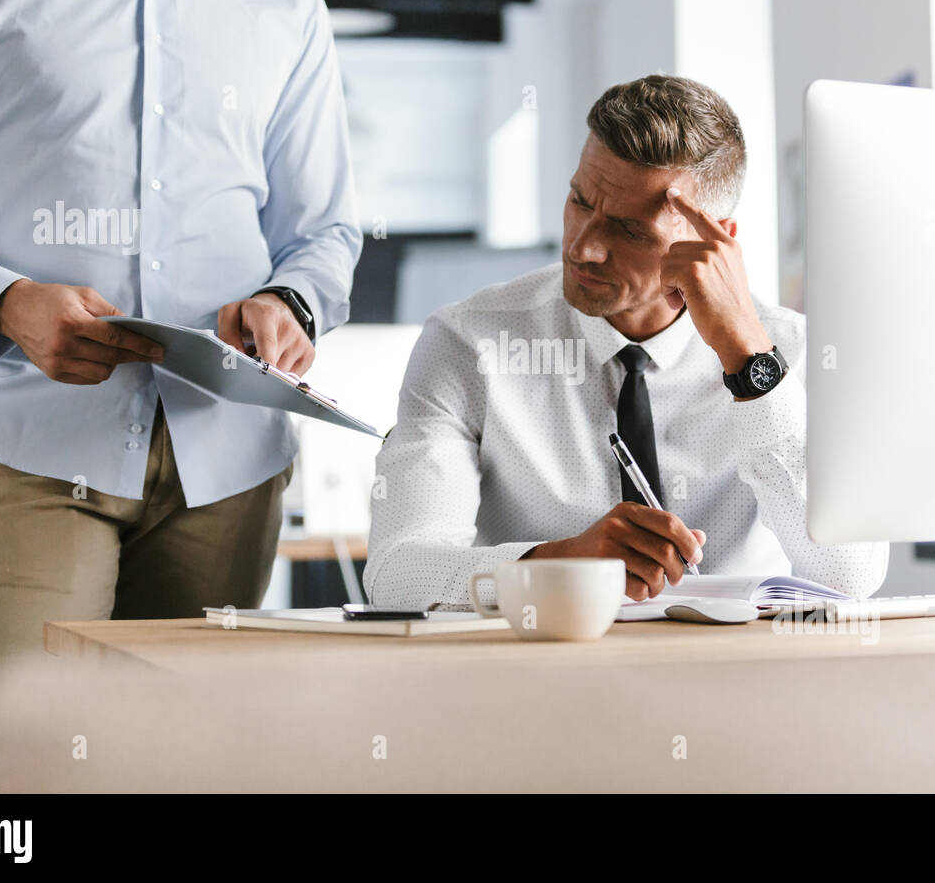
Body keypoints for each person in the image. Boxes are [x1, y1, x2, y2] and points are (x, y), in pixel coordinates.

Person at [0, 0, 360, 725]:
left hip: (228, 461)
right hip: (32, 444)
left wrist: (292, 303)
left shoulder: (286, 0)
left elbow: (325, 233)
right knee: (20, 771)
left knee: (188, 770)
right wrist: (3, 304)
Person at [365, 74, 887, 609]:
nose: (585, 247)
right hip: (538, 678)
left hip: (739, 676)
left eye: (631, 231)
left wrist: (749, 360)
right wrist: (559, 564)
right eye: (579, 200)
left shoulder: (795, 353)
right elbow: (397, 573)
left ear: (714, 242)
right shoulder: (469, 343)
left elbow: (849, 573)